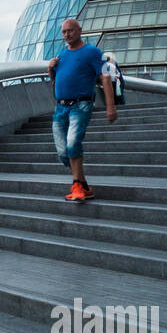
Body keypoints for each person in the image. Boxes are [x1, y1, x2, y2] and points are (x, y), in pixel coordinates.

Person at [47, 18, 117, 202]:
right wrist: (50, 70)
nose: (67, 35)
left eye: (70, 31)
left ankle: (77, 184)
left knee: (72, 143)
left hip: (81, 105)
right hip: (60, 107)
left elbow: (106, 77)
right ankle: (84, 185)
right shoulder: (62, 53)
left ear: (80, 30)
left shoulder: (94, 52)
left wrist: (110, 106)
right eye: (64, 32)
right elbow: (55, 82)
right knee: (63, 152)